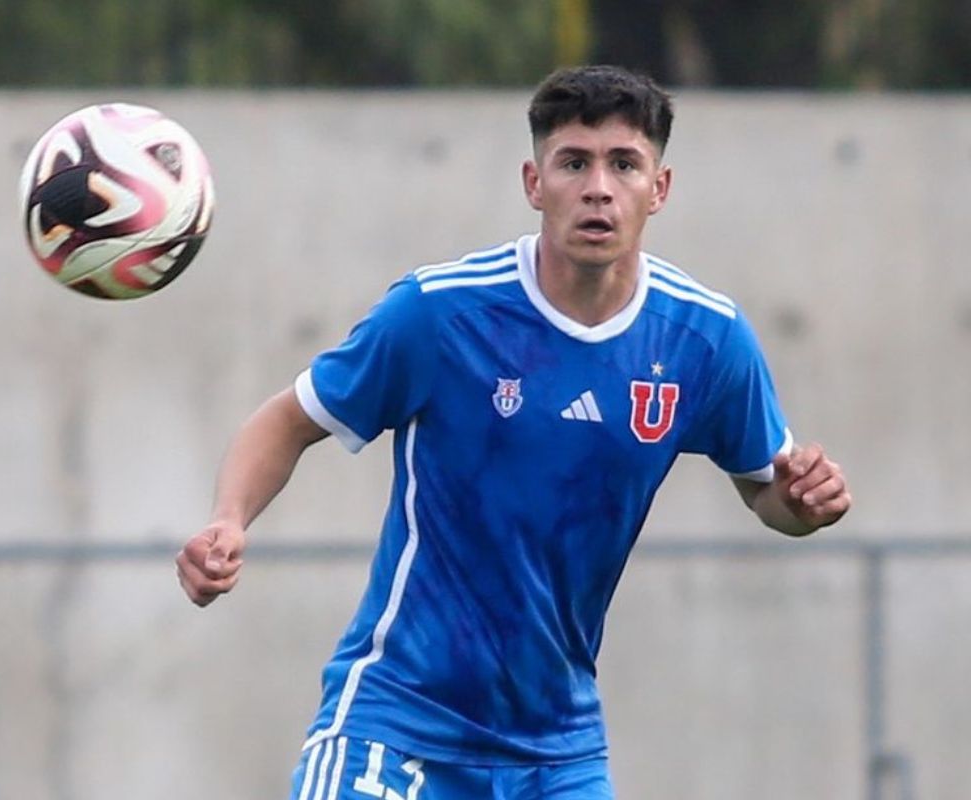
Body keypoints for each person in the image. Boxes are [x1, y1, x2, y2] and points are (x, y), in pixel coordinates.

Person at [176, 65, 851, 800]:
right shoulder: (441, 312)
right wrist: (226, 520)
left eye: (624, 164)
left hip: (557, 750)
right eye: (574, 163)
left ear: (658, 189)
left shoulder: (705, 338)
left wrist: (803, 506)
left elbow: (772, 492)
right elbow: (288, 418)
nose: (599, 187)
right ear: (535, 183)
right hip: (396, 726)